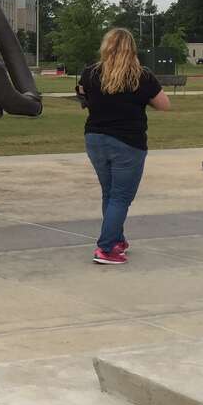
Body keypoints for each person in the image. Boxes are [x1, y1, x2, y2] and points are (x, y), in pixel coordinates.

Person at [76, 28, 171, 265]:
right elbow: (164, 105)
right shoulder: (142, 76)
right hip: (128, 142)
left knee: (110, 193)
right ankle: (106, 248)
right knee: (120, 197)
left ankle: (116, 239)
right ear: (132, 49)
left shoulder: (91, 73)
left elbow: (81, 92)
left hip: (95, 139)